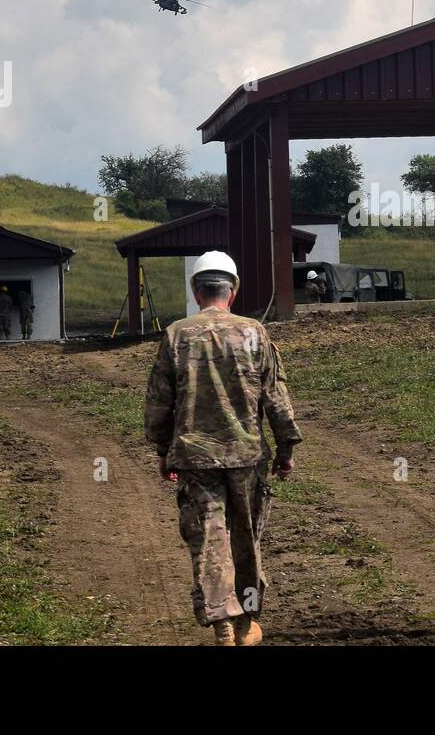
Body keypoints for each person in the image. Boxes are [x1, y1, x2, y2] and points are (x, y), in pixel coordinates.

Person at [144, 251, 303, 646]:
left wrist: (163, 449)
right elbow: (276, 398)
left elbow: (159, 402)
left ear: (196, 292)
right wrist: (286, 447)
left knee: (209, 538)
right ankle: (248, 619)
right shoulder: (254, 333)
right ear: (232, 292)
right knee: (245, 537)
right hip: (246, 457)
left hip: (195, 459)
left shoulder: (176, 335)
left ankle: (222, 624)